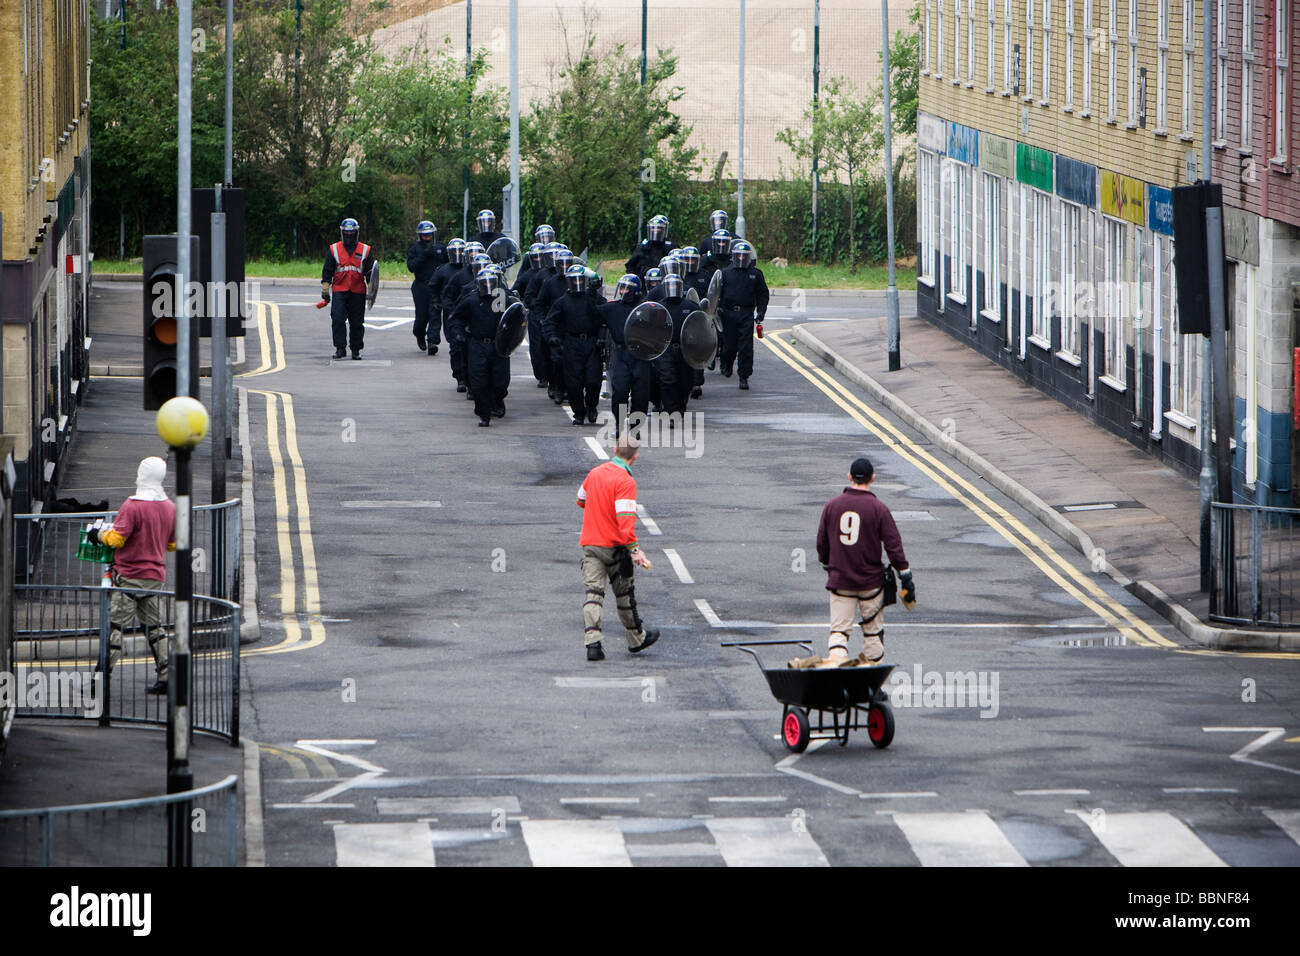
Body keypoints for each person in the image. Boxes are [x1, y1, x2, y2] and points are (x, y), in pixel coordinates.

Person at [798, 457, 913, 668]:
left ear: (849, 477)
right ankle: (872, 684)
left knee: (839, 632)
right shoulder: (879, 509)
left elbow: (821, 544)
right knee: (873, 633)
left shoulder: (832, 506)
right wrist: (905, 576)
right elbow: (894, 548)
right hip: (871, 583)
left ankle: (836, 671)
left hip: (841, 581)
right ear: (873, 478)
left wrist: (828, 565)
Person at [93, 457, 178, 694]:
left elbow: (118, 539)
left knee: (116, 629)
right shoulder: (169, 507)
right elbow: (171, 544)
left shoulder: (132, 505)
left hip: (129, 576)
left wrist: (100, 535)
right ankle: (166, 676)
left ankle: (100, 680)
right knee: (155, 629)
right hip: (154, 577)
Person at [576, 440, 659, 661]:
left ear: (615, 451)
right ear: (635, 456)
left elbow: (580, 500)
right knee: (624, 595)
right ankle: (636, 638)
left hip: (591, 545)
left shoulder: (594, 473)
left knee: (593, 595)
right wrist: (635, 550)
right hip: (614, 548)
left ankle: (593, 643)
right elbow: (625, 522)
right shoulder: (625, 481)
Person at [450, 265, 512, 427]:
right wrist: (458, 333)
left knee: (500, 382)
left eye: (491, 282)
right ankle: (484, 414)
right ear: (478, 283)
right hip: (477, 345)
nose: (488, 286)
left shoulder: (504, 298)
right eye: (485, 283)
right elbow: (456, 318)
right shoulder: (470, 299)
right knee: (478, 382)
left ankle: (497, 400)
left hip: (499, 346)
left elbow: (517, 314)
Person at [547, 264, 605, 425]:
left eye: (580, 279)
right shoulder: (562, 302)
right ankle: (578, 412)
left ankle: (591, 406)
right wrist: (552, 337)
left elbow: (605, 318)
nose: (577, 283)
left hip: (592, 343)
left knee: (593, 381)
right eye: (573, 280)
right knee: (574, 383)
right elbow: (550, 322)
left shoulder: (594, 298)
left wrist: (602, 337)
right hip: (572, 344)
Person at [601, 274, 651, 440]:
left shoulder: (646, 309)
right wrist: (591, 290)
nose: (623, 291)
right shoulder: (612, 308)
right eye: (621, 287)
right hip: (621, 354)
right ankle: (619, 424)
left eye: (627, 288)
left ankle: (636, 427)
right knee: (620, 391)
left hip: (641, 354)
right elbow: (591, 313)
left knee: (641, 394)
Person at [717, 239, 769, 390]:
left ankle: (743, 377)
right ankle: (727, 364)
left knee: (746, 347)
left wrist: (761, 312)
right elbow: (717, 294)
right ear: (734, 256)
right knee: (729, 347)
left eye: (743, 256)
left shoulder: (755, 274)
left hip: (746, 313)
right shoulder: (725, 273)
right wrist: (718, 310)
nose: (741, 258)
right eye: (738, 256)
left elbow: (762, 295)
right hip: (728, 314)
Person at [321, 217, 376, 359]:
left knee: (357, 322)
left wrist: (371, 291)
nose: (349, 235)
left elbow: (371, 273)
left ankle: (356, 350)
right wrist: (325, 289)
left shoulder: (365, 250)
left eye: (352, 233)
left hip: (358, 291)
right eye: (347, 233)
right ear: (342, 232)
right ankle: (340, 348)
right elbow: (327, 271)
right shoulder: (334, 249)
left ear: (356, 233)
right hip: (339, 290)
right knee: (338, 319)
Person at [406, 220, 447, 354]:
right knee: (422, 316)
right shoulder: (415, 248)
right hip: (421, 285)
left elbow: (448, 265)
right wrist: (424, 254)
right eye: (425, 235)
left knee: (435, 314)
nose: (427, 237)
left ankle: (432, 342)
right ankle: (419, 334)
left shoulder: (440, 247)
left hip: (437, 286)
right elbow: (411, 267)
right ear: (420, 236)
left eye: (429, 235)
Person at [429, 238, 466, 379]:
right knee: (455, 344)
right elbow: (433, 286)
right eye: (454, 251)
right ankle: (460, 377)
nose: (457, 254)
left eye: (460, 251)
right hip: (451, 312)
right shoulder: (443, 270)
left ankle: (469, 376)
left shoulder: (469, 270)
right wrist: (436, 301)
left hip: (469, 311)